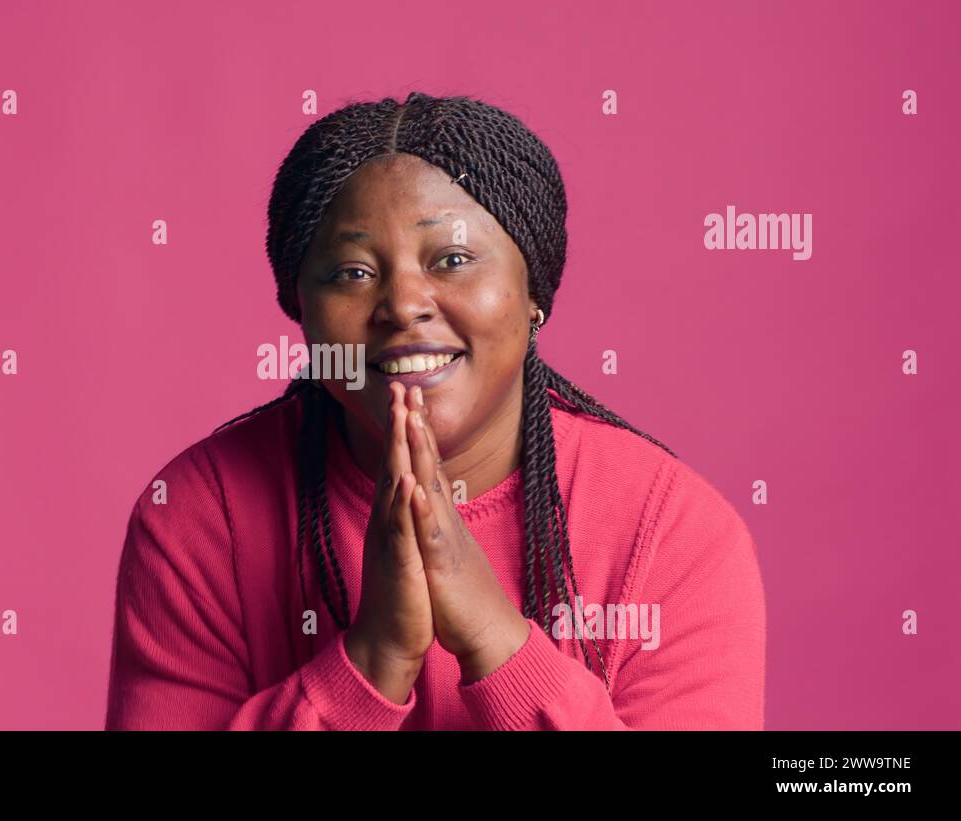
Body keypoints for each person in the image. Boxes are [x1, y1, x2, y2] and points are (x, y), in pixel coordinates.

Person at [104, 91, 766, 730]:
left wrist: (497, 642)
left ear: (534, 289)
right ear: (298, 304)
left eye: (451, 259)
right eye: (353, 272)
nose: (404, 304)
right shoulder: (198, 514)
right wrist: (373, 660)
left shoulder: (672, 529)